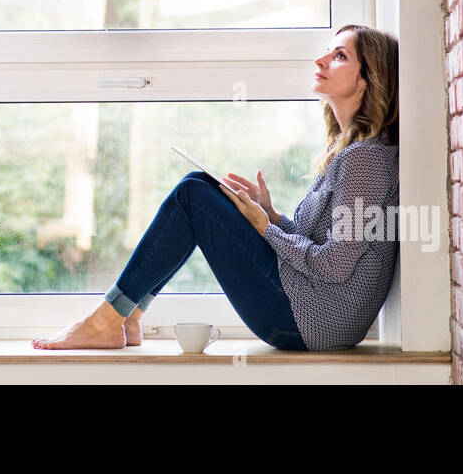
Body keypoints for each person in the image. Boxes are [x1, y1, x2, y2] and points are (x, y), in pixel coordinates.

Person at [32, 24, 401, 351]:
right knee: (198, 184)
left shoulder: (365, 159)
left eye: (339, 56)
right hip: (309, 308)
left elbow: (335, 266)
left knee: (194, 195)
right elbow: (322, 245)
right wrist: (270, 214)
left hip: (312, 322)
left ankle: (107, 320)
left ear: (367, 80)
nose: (320, 60)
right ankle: (126, 315)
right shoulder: (350, 152)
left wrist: (266, 227)